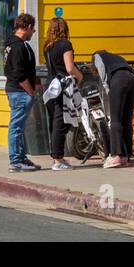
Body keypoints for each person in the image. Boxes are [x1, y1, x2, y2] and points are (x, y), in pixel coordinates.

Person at [42, 16, 83, 171]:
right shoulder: (65, 44)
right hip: (62, 87)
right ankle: (58, 160)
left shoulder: (47, 46)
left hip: (50, 86)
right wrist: (80, 77)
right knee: (61, 122)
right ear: (64, 29)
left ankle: (56, 157)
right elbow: (69, 68)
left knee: (54, 122)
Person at [3, 13, 41, 173]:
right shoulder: (18, 46)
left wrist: (36, 83)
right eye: (33, 30)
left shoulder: (10, 43)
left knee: (19, 127)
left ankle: (21, 157)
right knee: (16, 127)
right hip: (19, 92)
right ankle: (16, 161)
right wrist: (31, 92)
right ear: (28, 27)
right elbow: (19, 74)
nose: (33, 33)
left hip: (15, 91)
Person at [93, 49, 134, 169]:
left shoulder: (97, 56)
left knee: (115, 120)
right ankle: (126, 155)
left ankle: (116, 156)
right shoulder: (118, 57)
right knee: (126, 121)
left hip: (118, 81)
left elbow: (104, 78)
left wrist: (111, 95)